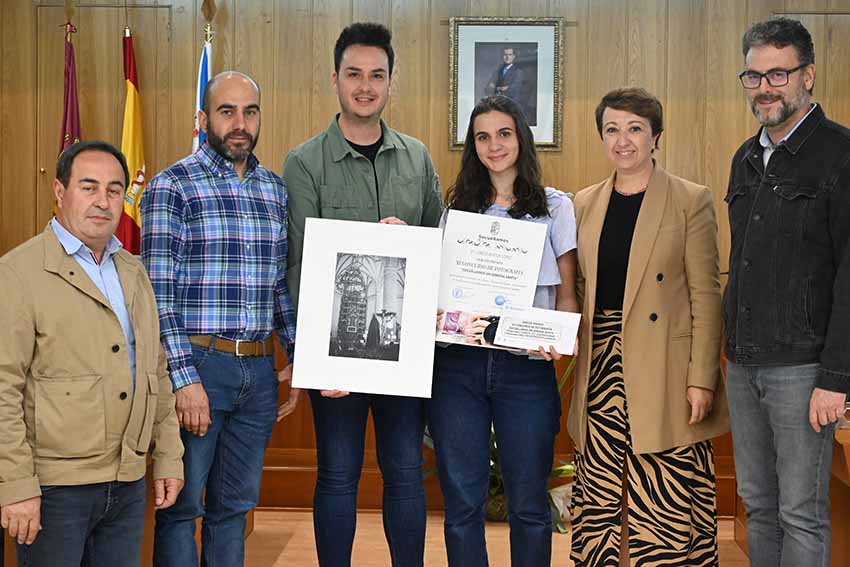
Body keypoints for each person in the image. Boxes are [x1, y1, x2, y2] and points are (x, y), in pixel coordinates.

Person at [282, 22, 442, 567]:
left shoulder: (417, 158)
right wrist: (314, 356)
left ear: (391, 82)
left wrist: (411, 241)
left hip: (404, 351)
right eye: (354, 74)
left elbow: (438, 247)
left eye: (377, 75)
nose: (366, 86)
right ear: (335, 79)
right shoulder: (304, 162)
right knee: (337, 476)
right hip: (336, 356)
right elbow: (299, 263)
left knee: (405, 474)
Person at [0, 141, 184, 567]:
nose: (103, 201)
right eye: (89, 187)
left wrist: (169, 457)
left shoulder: (134, 272)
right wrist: (16, 484)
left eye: (114, 190)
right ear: (60, 192)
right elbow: (3, 390)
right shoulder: (17, 273)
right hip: (54, 489)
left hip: (128, 483)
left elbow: (157, 373)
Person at [141, 71, 298, 567]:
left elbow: (278, 286)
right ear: (203, 118)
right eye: (227, 112)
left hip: (259, 371)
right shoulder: (172, 186)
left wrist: (299, 357)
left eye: (250, 112)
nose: (240, 123)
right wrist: (184, 380)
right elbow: (158, 295)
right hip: (200, 365)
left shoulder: (274, 190)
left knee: (234, 509)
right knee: (181, 507)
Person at [569, 87, 729, 566]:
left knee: (665, 491)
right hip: (601, 368)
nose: (623, 140)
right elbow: (577, 288)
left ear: (656, 136)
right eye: (612, 129)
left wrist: (702, 379)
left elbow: (706, 296)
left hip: (665, 369)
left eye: (635, 129)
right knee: (601, 491)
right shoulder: (584, 203)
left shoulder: (690, 200)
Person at [428, 94, 579, 567]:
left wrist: (559, 340)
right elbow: (440, 293)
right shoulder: (456, 210)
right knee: (461, 505)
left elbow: (568, 293)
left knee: (530, 504)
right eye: (482, 137)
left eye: (504, 134)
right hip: (458, 367)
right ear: (472, 146)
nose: (494, 145)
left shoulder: (556, 207)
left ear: (522, 139)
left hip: (525, 370)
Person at [724, 18, 850, 567]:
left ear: (808, 76)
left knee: (801, 513)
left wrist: (836, 379)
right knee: (758, 506)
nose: (765, 88)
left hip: (804, 370)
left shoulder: (841, 154)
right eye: (753, 76)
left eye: (778, 74)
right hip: (742, 363)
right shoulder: (745, 158)